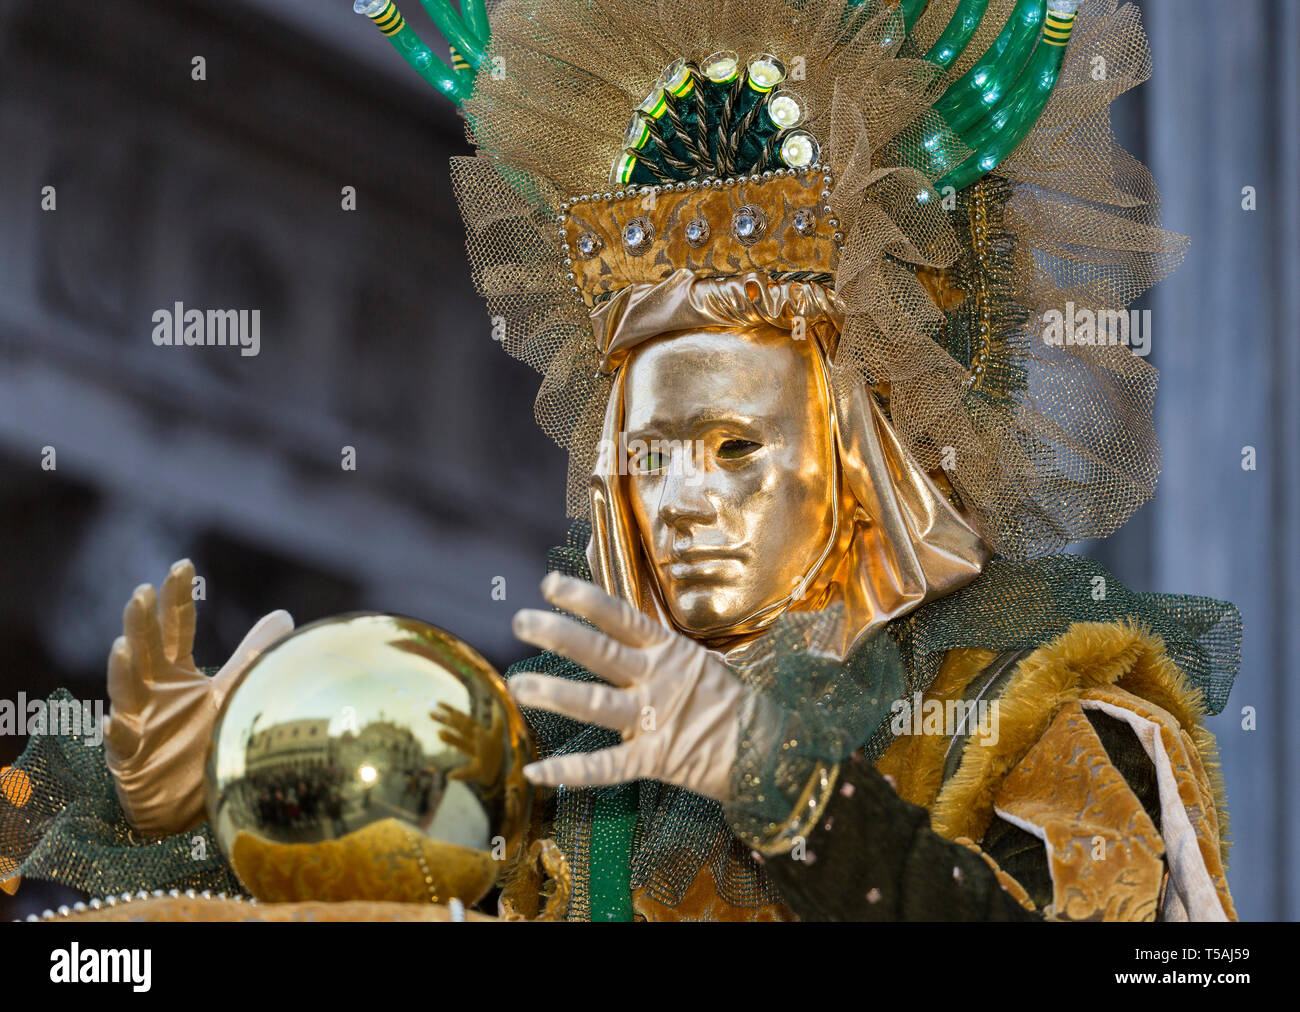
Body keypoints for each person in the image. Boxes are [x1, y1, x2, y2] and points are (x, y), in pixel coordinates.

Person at [0, 0, 1239, 922]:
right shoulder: (574, 762)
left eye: (734, 445)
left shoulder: (1043, 713)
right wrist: (189, 806)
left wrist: (785, 785)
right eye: (651, 454)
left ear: (867, 457)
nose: (684, 500)